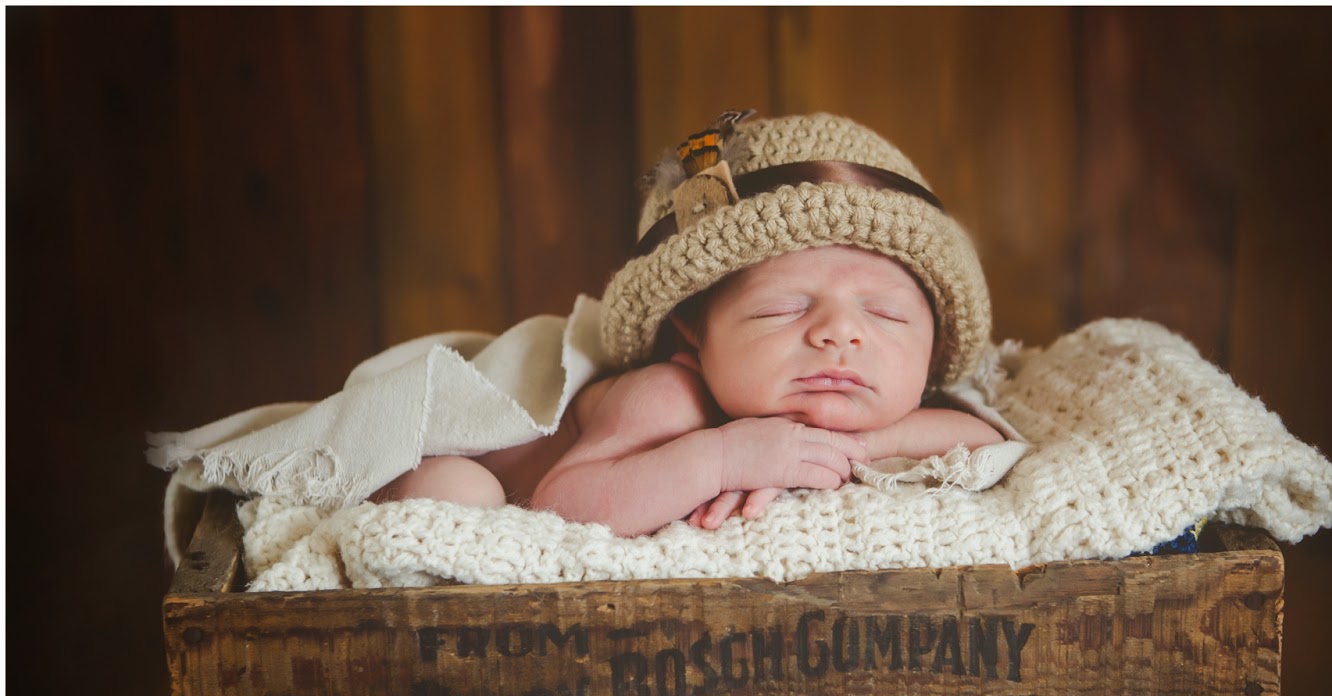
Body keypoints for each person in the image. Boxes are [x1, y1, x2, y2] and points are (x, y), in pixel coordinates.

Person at [372, 112, 1007, 535]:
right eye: (782, 307)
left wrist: (827, 451)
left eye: (888, 313)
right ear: (693, 331)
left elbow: (976, 436)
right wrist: (723, 459)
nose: (841, 334)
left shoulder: (848, 399)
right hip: (463, 465)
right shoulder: (669, 397)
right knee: (458, 490)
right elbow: (561, 503)